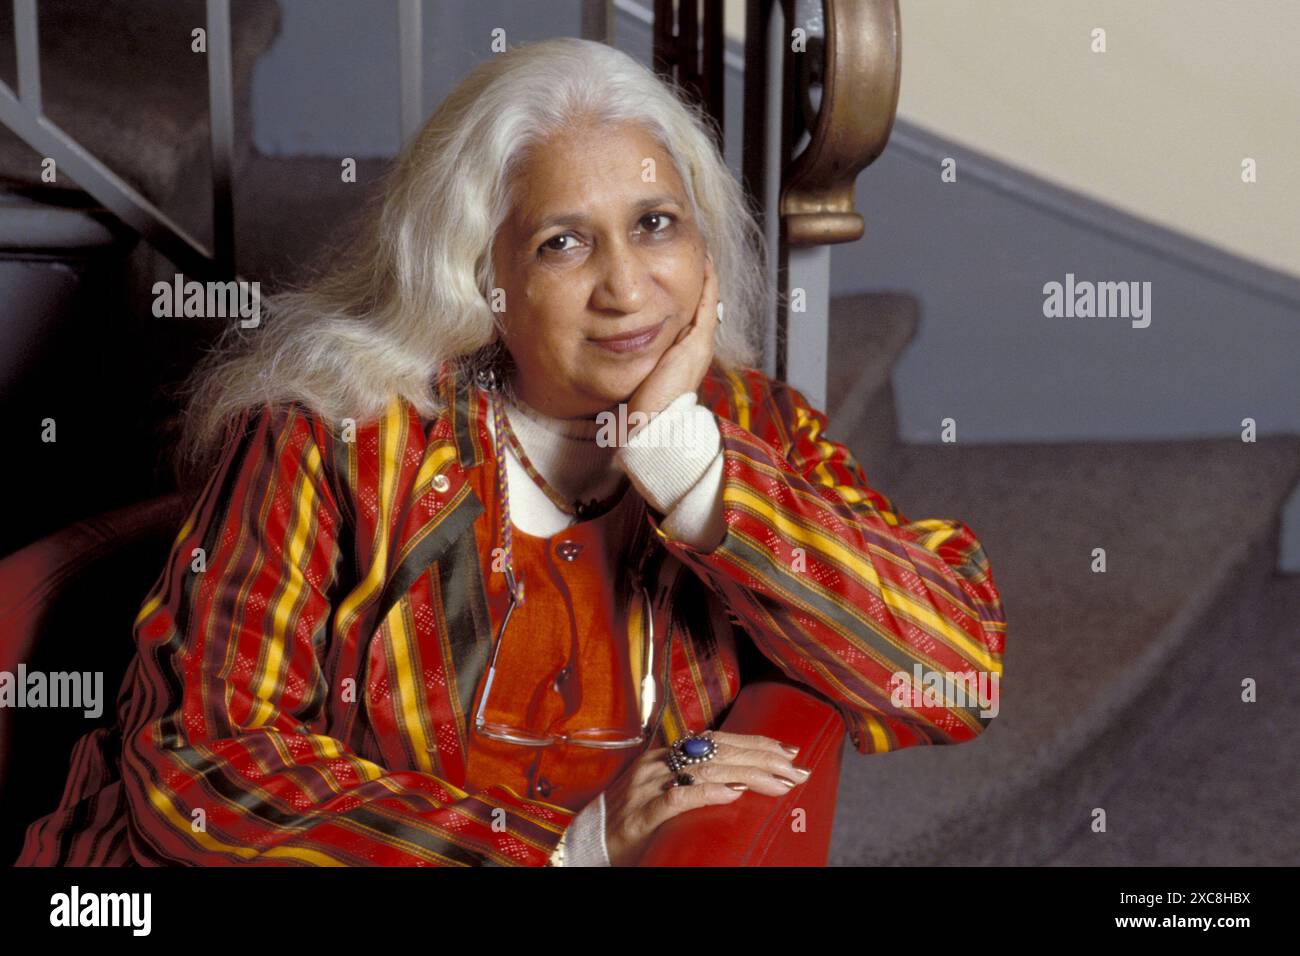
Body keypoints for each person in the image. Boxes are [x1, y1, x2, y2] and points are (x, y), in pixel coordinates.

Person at [15, 37, 1005, 867]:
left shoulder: (749, 426)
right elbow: (198, 765)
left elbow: (956, 676)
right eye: (562, 243)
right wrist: (568, 845)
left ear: (703, 248)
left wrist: (689, 469)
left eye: (655, 224)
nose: (627, 288)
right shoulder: (327, 432)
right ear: (479, 274)